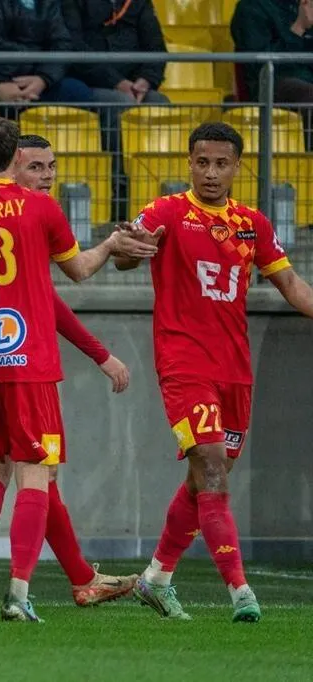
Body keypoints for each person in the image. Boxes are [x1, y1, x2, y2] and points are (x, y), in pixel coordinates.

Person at [0, 115, 157, 622]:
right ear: (14, 160)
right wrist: (110, 245)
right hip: (29, 361)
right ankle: (20, 593)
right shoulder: (39, 209)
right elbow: (78, 272)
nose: (46, 175)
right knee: (34, 474)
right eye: (38, 165)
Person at [118, 122, 313, 622]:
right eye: (202, 162)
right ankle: (241, 593)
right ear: (189, 163)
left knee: (205, 478)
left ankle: (156, 578)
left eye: (221, 163)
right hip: (183, 363)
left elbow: (291, 283)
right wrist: (130, 247)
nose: (210, 172)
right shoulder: (167, 211)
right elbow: (125, 253)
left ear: (237, 167)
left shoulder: (252, 224)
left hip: (235, 371)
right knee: (210, 467)